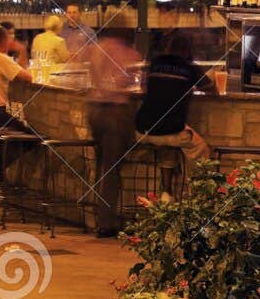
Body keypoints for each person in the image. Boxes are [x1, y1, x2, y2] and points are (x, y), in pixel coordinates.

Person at [87, 33, 141, 237]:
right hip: (114, 113)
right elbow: (122, 80)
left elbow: (94, 76)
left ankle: (99, 216)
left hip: (94, 110)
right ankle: (107, 223)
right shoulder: (123, 51)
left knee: (102, 164)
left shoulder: (98, 46)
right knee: (111, 168)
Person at [136, 32, 213, 163]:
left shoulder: (155, 63)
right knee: (202, 149)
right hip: (170, 132)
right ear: (188, 51)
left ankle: (166, 184)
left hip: (141, 131)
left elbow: (144, 86)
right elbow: (210, 87)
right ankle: (197, 183)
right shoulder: (190, 67)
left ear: (167, 48)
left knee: (168, 146)